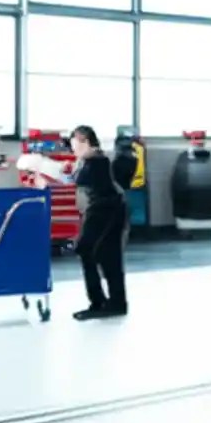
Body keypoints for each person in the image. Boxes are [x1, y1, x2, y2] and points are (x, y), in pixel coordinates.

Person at [67, 125, 130, 320]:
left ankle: (99, 302)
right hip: (107, 208)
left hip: (107, 209)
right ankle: (114, 303)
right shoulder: (92, 159)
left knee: (87, 250)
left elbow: (78, 180)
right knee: (107, 254)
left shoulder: (96, 161)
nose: (73, 150)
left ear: (84, 141)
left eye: (75, 145)